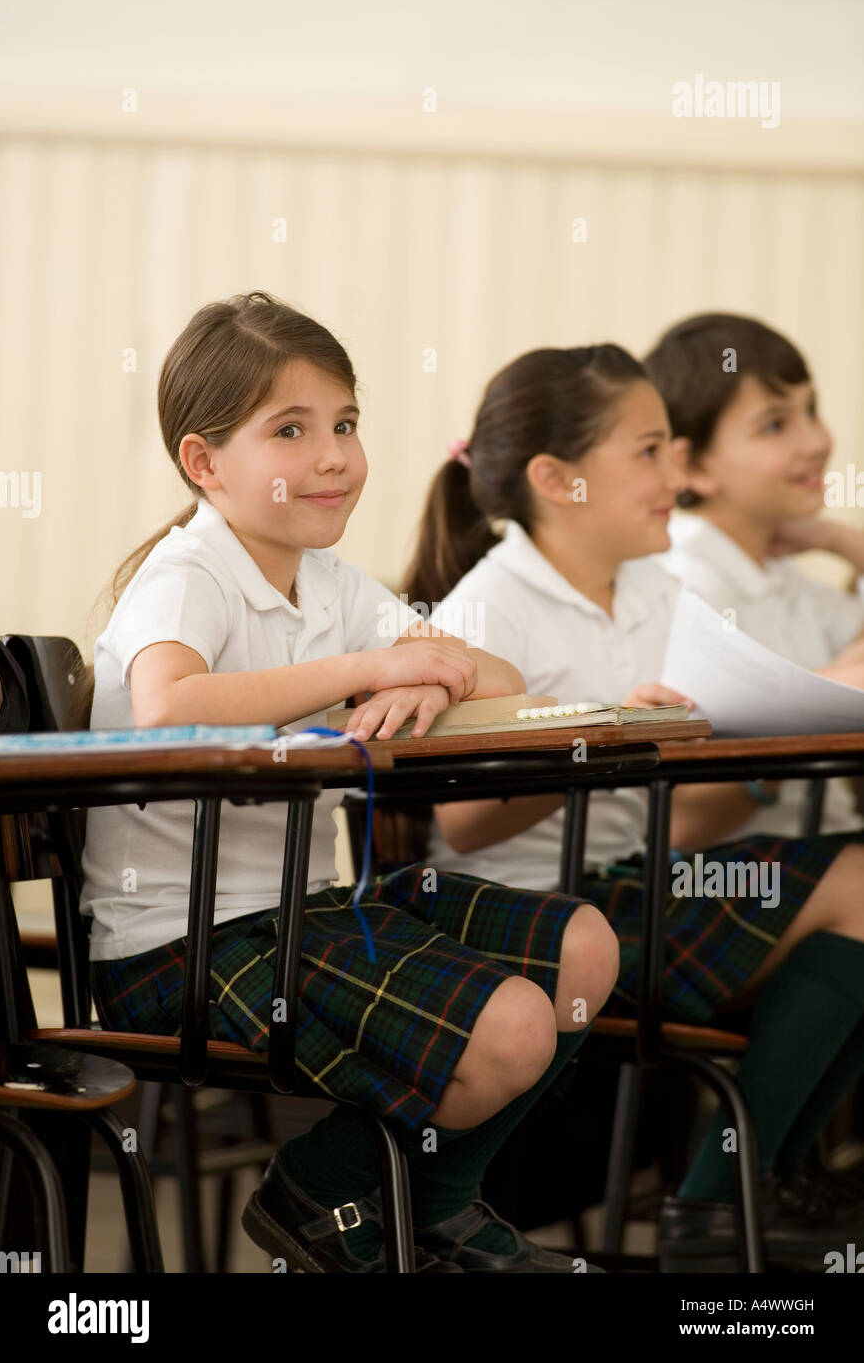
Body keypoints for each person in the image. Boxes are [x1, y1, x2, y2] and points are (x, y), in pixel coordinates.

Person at [78, 291, 619, 1274]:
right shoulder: (189, 571)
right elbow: (167, 703)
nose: (332, 455)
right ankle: (324, 1190)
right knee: (506, 1027)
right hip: (178, 944)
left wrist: (436, 665)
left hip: (302, 911)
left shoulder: (331, 580)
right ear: (205, 463)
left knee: (578, 951)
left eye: (345, 424)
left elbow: (493, 677)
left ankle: (428, 1209)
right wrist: (368, 669)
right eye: (290, 430)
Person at [403, 342, 864, 1271]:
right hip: (528, 913)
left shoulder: (661, 588)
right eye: (648, 453)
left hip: (632, 881)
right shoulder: (490, 607)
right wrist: (604, 741)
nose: (674, 476)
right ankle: (719, 1199)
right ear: (557, 480)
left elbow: (717, 746)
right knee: (859, 879)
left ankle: (760, 1178)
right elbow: (461, 824)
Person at [644, 311, 864, 848]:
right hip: (738, 879)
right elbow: (675, 826)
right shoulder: (682, 585)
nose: (815, 441)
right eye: (775, 424)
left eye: (811, 410)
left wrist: (841, 541)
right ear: (692, 464)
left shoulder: (783, 577)